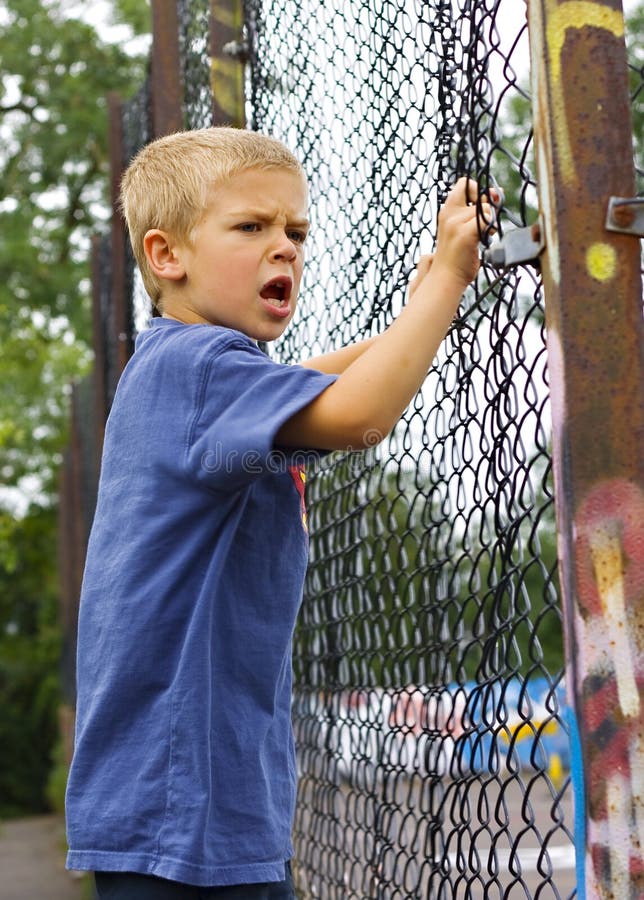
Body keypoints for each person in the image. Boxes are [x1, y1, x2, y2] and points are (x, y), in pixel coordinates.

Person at [65, 127, 497, 899]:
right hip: (182, 812)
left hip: (194, 807)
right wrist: (449, 284)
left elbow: (311, 378)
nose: (285, 248)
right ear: (168, 257)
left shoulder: (182, 370)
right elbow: (361, 416)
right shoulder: (201, 368)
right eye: (251, 227)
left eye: (296, 230)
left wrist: (420, 309)